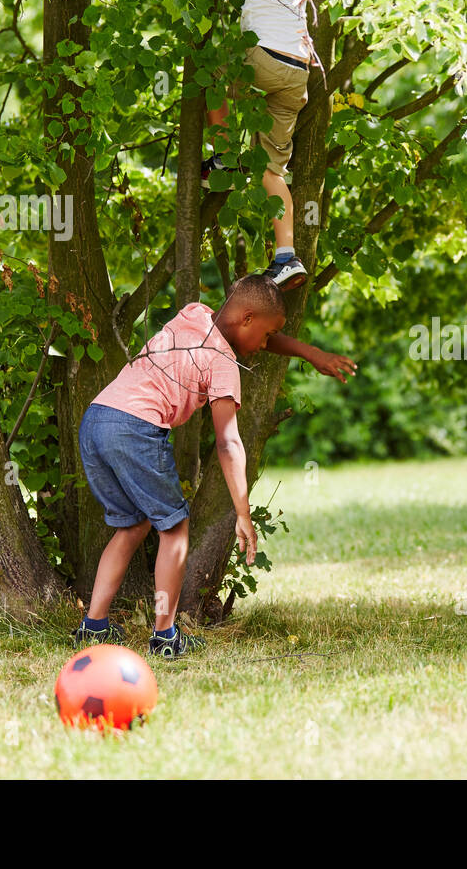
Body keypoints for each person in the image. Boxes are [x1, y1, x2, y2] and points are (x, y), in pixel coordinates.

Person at [71, 274, 356, 658]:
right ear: (248, 318)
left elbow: (248, 307)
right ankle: (165, 636)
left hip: (97, 419)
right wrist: (243, 513)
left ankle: (93, 627)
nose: (266, 346)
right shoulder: (223, 362)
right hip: (136, 427)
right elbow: (228, 442)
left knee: (133, 525)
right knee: (175, 530)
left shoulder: (194, 314)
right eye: (267, 335)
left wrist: (311, 353)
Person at [203, 0, 323, 292]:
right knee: (274, 170)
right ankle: (287, 257)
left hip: (267, 57)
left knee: (211, 77)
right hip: (297, 72)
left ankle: (225, 156)